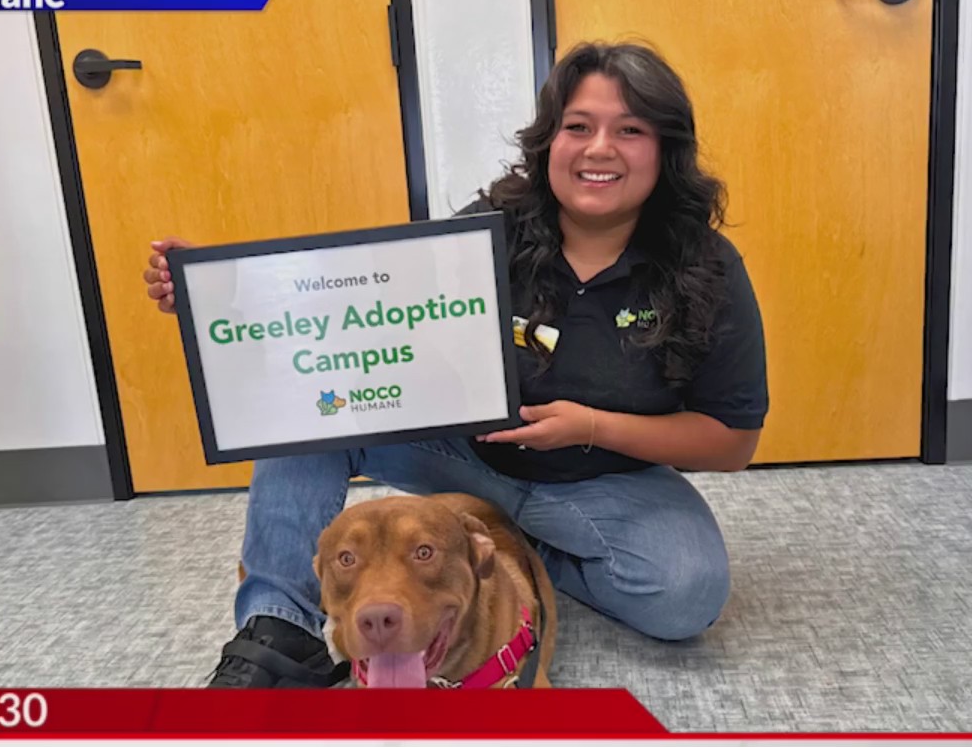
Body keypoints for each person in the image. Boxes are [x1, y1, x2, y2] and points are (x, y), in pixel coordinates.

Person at [142, 41, 769, 688]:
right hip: (466, 457)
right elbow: (352, 321)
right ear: (548, 142)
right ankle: (278, 630)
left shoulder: (708, 267)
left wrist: (589, 426)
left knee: (689, 594)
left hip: (601, 479)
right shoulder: (486, 229)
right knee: (311, 403)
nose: (599, 148)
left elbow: (732, 442)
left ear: (665, 151)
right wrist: (226, 294)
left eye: (630, 130)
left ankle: (522, 553)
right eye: (577, 127)